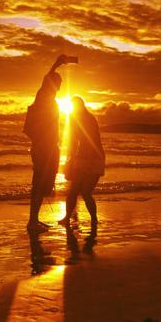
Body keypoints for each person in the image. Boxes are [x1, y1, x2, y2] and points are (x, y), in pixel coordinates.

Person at [23, 55, 72, 232]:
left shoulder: (51, 100)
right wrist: (56, 65)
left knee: (43, 185)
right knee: (38, 185)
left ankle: (34, 220)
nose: (58, 87)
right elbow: (46, 79)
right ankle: (32, 222)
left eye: (59, 85)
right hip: (42, 148)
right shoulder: (43, 97)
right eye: (56, 83)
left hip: (49, 147)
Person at [58, 95, 105, 227]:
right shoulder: (89, 118)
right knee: (82, 192)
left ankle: (76, 218)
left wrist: (71, 159)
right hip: (92, 158)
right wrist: (71, 158)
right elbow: (75, 141)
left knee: (80, 192)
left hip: (90, 158)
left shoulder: (80, 119)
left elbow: (75, 141)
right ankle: (85, 219)